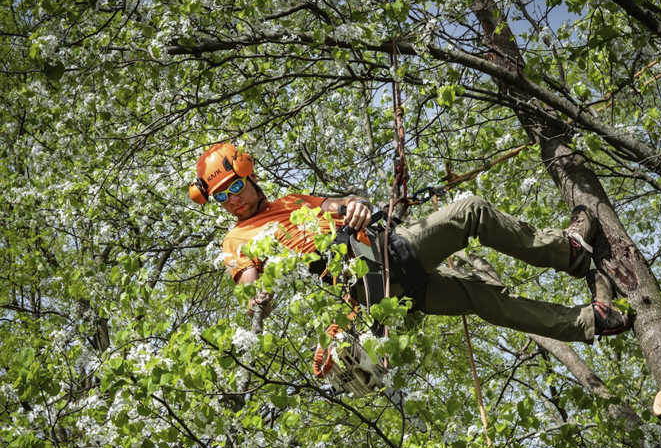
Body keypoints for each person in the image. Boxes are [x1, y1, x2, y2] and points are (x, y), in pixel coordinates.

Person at [189, 143, 632, 343]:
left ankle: (590, 321)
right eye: (221, 196)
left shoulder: (293, 201)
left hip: (380, 254)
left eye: (234, 187)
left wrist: (358, 206)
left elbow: (346, 203)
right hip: (369, 288)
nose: (231, 201)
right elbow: (249, 281)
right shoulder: (237, 238)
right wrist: (256, 301)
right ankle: (569, 253)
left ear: (249, 174)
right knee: (469, 212)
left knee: (483, 299)